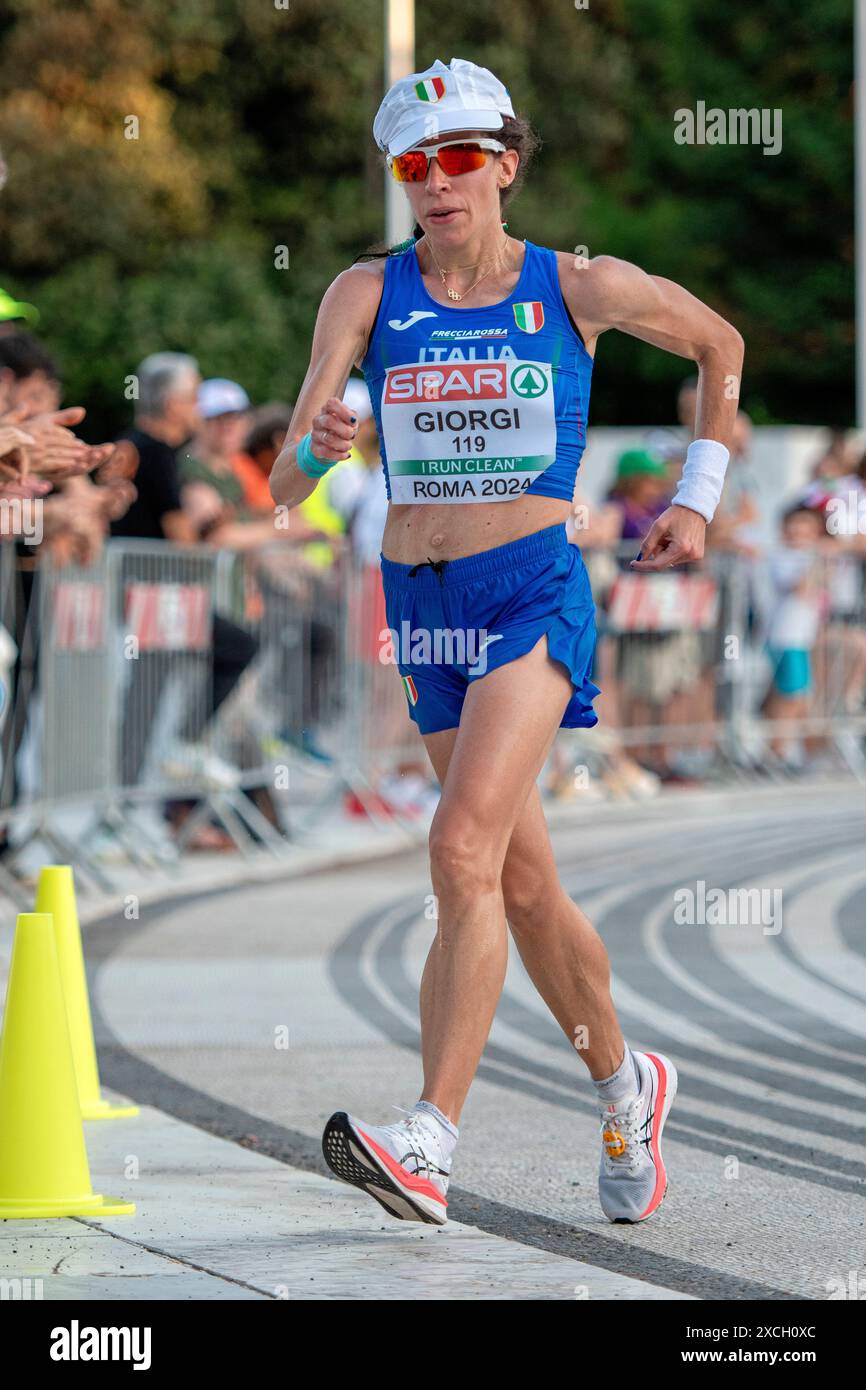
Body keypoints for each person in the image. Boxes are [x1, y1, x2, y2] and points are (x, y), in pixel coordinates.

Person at [270, 57, 744, 1226]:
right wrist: (321, 445)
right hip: (417, 598)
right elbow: (285, 476)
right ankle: (626, 1085)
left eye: (461, 159)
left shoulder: (576, 284)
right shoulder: (364, 293)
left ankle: (428, 1136)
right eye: (414, 165)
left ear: (506, 165)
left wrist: (697, 493)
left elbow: (718, 344)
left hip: (530, 589)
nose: (439, 183)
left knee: (458, 848)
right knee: (519, 883)